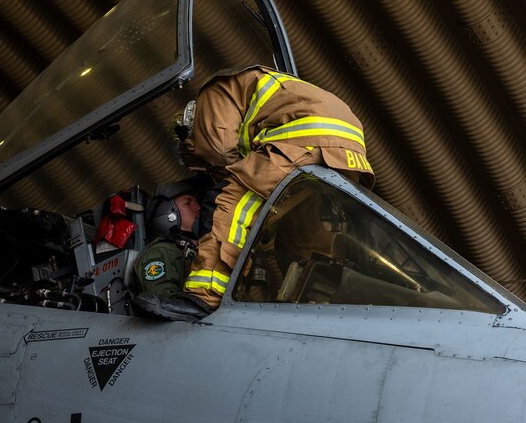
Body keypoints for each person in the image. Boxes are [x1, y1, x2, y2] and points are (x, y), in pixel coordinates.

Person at [147, 66, 374, 321]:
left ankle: (204, 298)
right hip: (347, 148)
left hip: (306, 138)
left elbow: (218, 152)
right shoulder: (249, 88)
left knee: (228, 199)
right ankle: (316, 299)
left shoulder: (211, 95)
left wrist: (218, 177)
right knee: (297, 234)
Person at [129, 181, 202, 301]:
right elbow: (164, 304)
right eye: (188, 203)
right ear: (168, 212)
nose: (198, 207)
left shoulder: (201, 248)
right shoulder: (161, 252)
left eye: (197, 203)